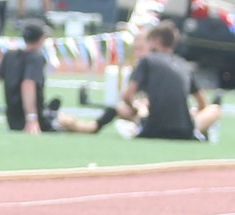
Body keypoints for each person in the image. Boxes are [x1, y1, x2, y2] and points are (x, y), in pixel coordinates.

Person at [92, 22, 221, 142]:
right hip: (184, 131)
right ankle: (200, 131)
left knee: (125, 108)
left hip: (152, 129)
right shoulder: (183, 65)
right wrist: (192, 112)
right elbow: (203, 103)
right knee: (214, 109)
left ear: (156, 41)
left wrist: (136, 109)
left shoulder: (147, 61)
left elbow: (126, 96)